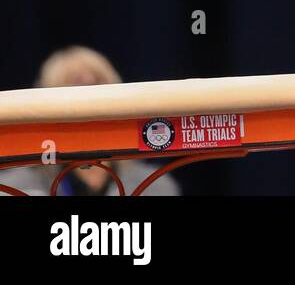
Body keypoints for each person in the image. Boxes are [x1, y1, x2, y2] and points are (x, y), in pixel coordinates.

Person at [0, 48, 181, 197]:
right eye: (74, 84)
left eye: (98, 82)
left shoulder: (156, 186)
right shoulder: (14, 188)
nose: (89, 96)